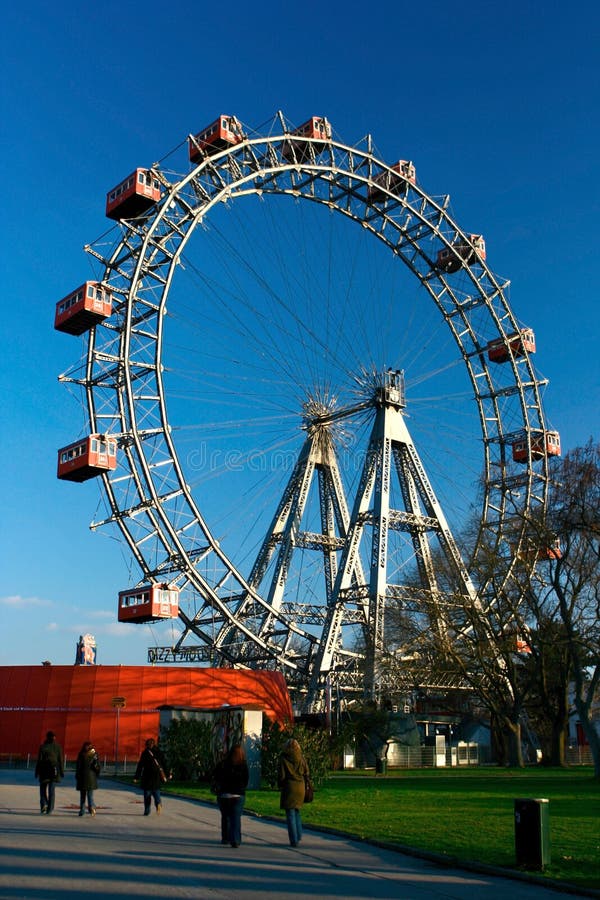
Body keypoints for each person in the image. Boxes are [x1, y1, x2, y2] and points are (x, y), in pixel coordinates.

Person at [211, 744, 249, 848]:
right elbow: (246, 781)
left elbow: (215, 775)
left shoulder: (223, 764)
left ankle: (225, 838)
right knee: (235, 818)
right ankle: (235, 840)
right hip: (238, 794)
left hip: (224, 794)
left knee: (225, 816)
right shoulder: (243, 765)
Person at [278, 737, 309, 847]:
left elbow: (281, 775)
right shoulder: (301, 757)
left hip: (289, 787)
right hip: (301, 787)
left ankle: (294, 839)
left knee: (290, 813)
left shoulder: (284, 758)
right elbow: (307, 771)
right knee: (297, 811)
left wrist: (280, 784)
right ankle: (299, 835)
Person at [133, 738, 169, 816]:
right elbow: (164, 764)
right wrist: (168, 773)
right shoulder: (159, 752)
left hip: (147, 776)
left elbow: (140, 766)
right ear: (154, 744)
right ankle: (158, 804)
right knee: (156, 792)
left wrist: (136, 777)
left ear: (147, 745)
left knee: (147, 795)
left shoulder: (145, 753)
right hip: (156, 776)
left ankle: (147, 810)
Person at [34, 730, 64, 815]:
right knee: (51, 791)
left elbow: (39, 760)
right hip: (54, 771)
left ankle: (44, 805)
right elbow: (60, 760)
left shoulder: (43, 747)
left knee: (43, 790)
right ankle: (49, 808)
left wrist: (37, 772)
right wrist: (61, 771)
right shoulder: (57, 747)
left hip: (44, 770)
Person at [75, 741, 100, 816]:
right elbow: (98, 766)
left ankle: (82, 811)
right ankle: (92, 808)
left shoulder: (81, 754)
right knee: (90, 795)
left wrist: (77, 775)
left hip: (82, 777)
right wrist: (97, 775)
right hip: (91, 778)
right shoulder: (94, 754)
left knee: (83, 796)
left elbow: (78, 766)